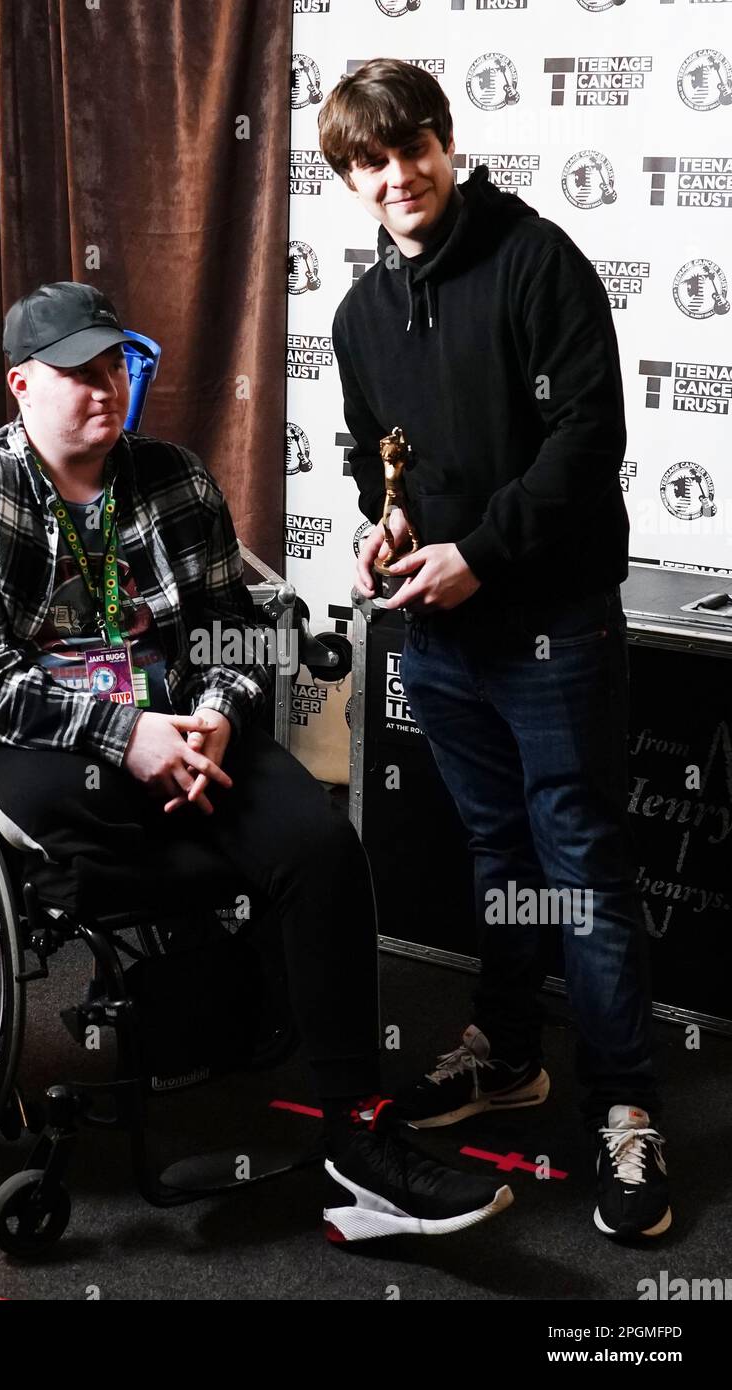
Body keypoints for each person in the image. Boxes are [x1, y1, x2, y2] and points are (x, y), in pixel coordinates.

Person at [0, 279, 515, 1245]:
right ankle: (195, 995)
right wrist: (125, 737)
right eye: (75, 372)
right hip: (53, 743)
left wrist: (219, 717)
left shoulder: (176, 478)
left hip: (191, 732)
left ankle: (359, 1141)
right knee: (136, 823)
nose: (103, 387)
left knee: (320, 843)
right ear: (22, 384)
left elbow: (235, 628)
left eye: (112, 365)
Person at [320, 60, 670, 1240]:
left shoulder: (539, 260)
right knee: (495, 850)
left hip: (551, 624)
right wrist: (394, 534)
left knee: (582, 863)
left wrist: (481, 551)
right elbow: (387, 463)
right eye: (369, 162)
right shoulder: (359, 315)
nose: (395, 176)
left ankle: (623, 1103)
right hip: (441, 635)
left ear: (445, 143)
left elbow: (587, 443)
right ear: (350, 179)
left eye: (411, 147)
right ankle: (511, 1054)